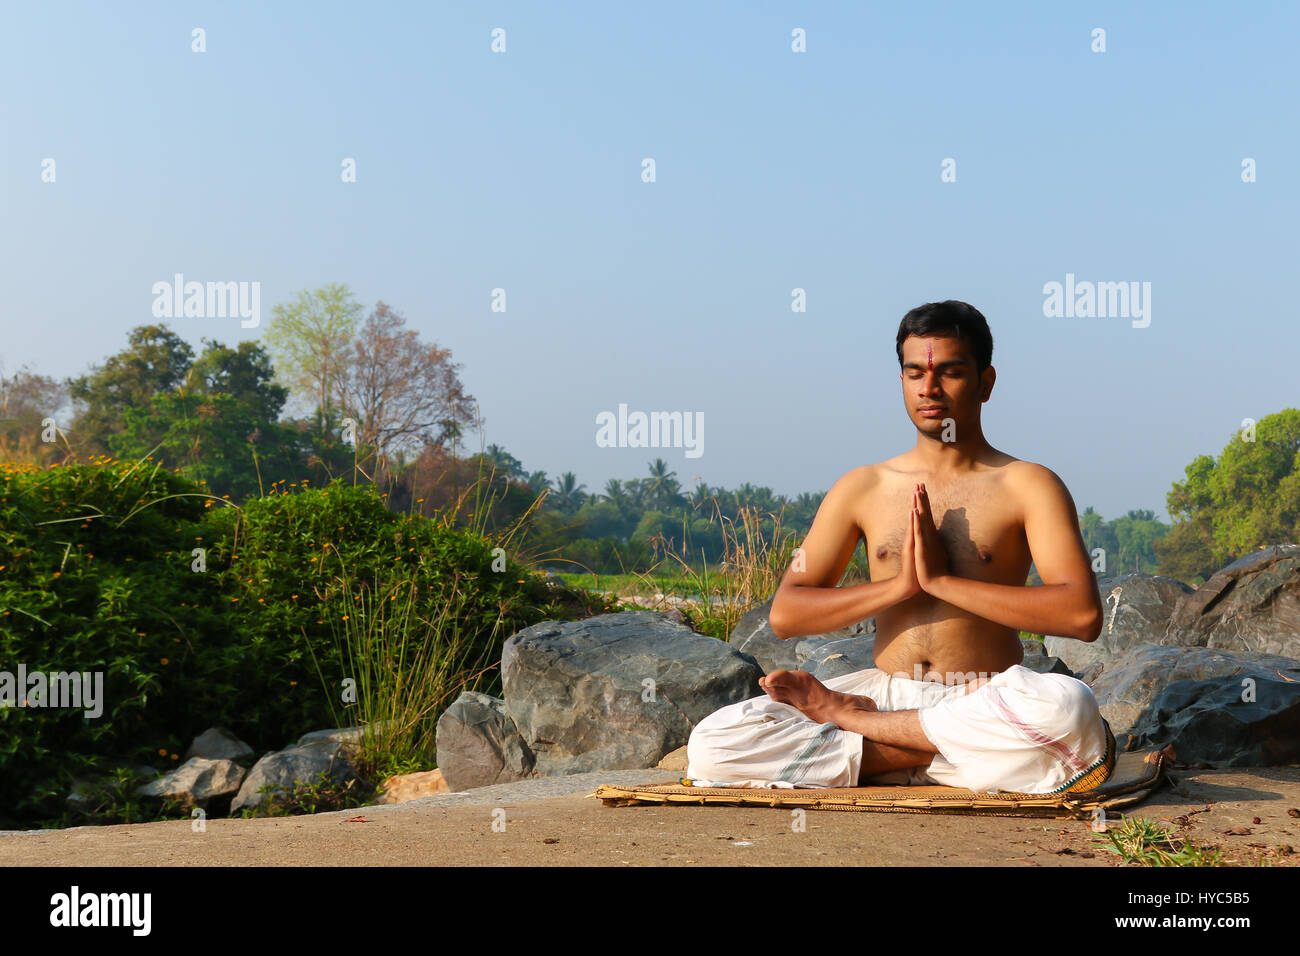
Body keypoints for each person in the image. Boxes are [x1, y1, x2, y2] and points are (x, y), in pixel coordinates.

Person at [686, 300, 1113, 794]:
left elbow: (1081, 616)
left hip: (980, 692)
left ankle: (869, 749)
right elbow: (787, 613)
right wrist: (898, 587)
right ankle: (948, 758)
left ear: (986, 382)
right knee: (715, 741)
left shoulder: (1028, 485)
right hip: (883, 693)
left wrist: (942, 583)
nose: (929, 389)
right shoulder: (862, 486)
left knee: (1067, 708)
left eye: (950, 372)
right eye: (914, 374)